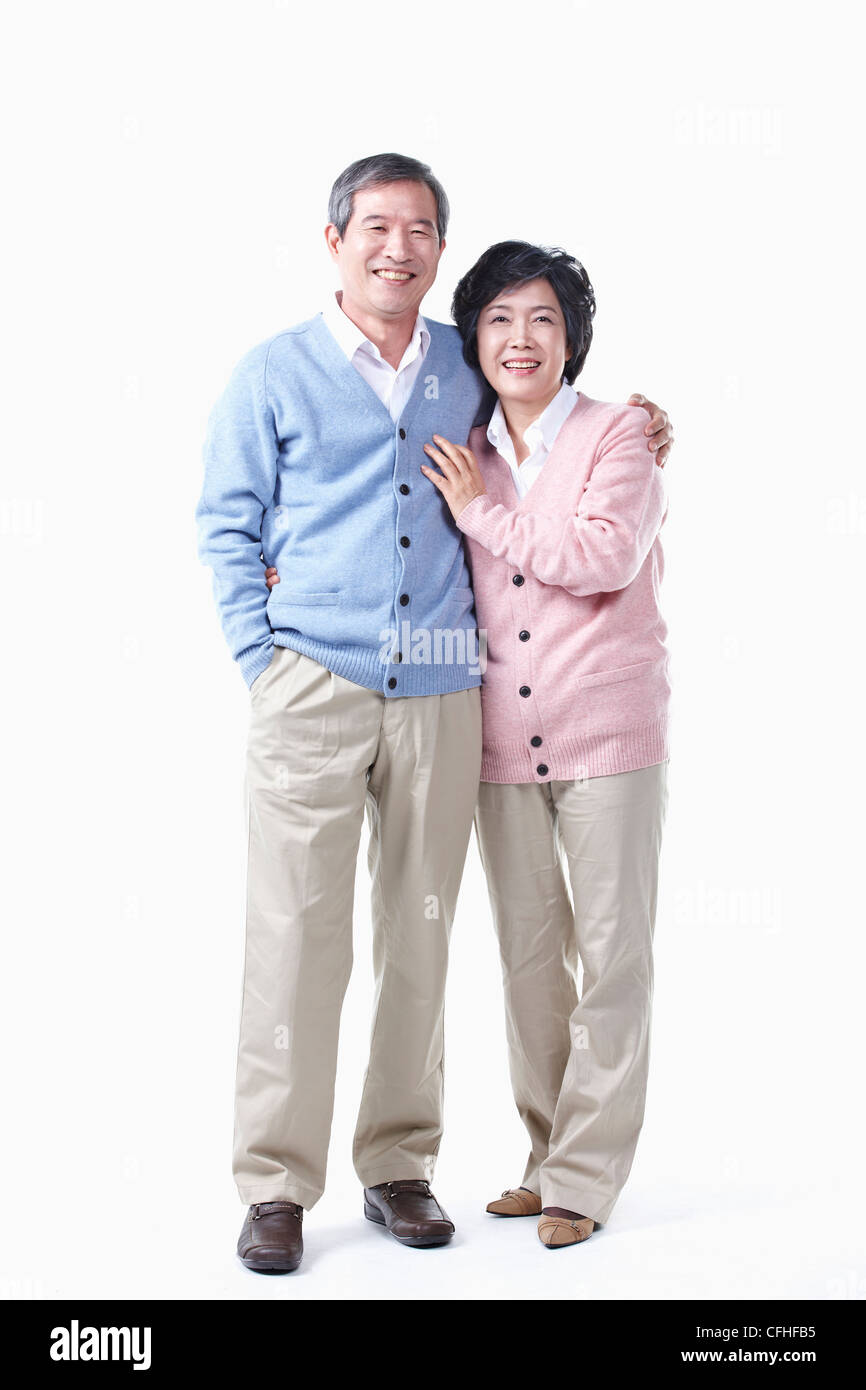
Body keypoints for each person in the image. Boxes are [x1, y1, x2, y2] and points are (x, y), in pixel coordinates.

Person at [198, 154, 672, 1273]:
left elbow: (556, 410)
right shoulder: (273, 373)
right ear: (334, 240)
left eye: (419, 230)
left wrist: (649, 420)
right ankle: (275, 1182)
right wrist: (262, 661)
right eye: (376, 227)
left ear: (437, 252)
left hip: (445, 689)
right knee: (293, 940)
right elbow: (225, 523)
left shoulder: (468, 364)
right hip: (311, 684)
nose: (396, 247)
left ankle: (398, 1162)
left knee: (419, 938)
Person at [420, 240, 671, 1249]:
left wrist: (480, 518)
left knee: (611, 957)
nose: (518, 339)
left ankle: (586, 1173)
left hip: (609, 733)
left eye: (541, 321)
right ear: (472, 338)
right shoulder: (461, 447)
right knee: (529, 963)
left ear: (570, 340)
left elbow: (603, 553)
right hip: (496, 742)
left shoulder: (621, 435)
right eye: (497, 320)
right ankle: (543, 1155)